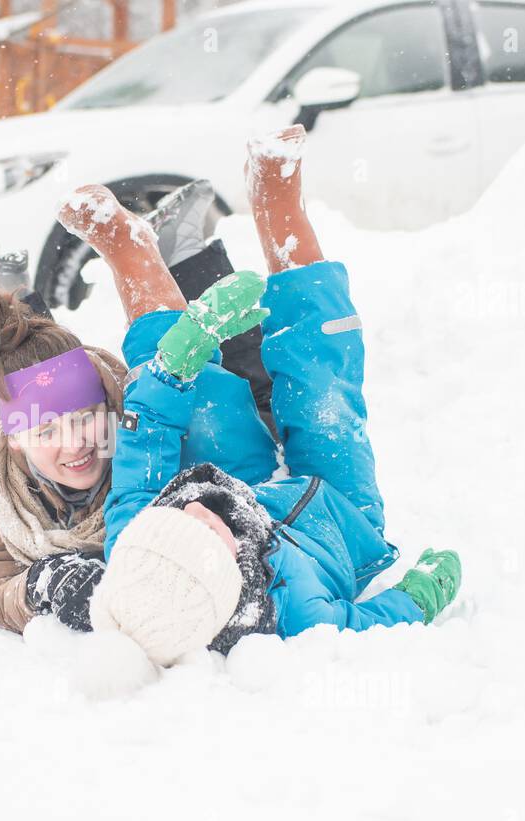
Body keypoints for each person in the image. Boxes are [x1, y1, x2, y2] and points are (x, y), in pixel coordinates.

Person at [53, 125, 462, 667]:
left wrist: (177, 363)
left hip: (240, 476)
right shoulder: (294, 616)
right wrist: (420, 595)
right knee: (324, 387)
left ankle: (132, 251)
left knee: (195, 401)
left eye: (172, 521)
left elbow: (143, 435)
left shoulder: (136, 543)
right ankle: (278, 208)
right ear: (227, 576)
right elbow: (368, 625)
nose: (193, 512)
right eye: (201, 536)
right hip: (341, 515)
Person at [0, 183, 284, 634]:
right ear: (13, 439)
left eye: (87, 419)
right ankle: (8, 300)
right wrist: (41, 585)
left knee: (234, 390)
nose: (76, 446)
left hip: (212, 412)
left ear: (106, 408)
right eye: (46, 432)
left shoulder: (135, 409)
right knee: (39, 372)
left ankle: (177, 249)